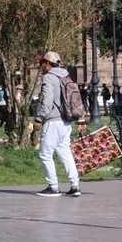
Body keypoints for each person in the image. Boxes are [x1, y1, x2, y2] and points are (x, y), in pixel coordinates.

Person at [33, 51, 81, 197]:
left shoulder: (49, 77)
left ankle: (53, 187)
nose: (41, 66)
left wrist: (39, 118)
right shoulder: (65, 76)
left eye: (42, 63)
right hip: (66, 121)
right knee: (65, 153)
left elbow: (47, 101)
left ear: (48, 63)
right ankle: (75, 185)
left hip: (53, 121)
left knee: (45, 153)